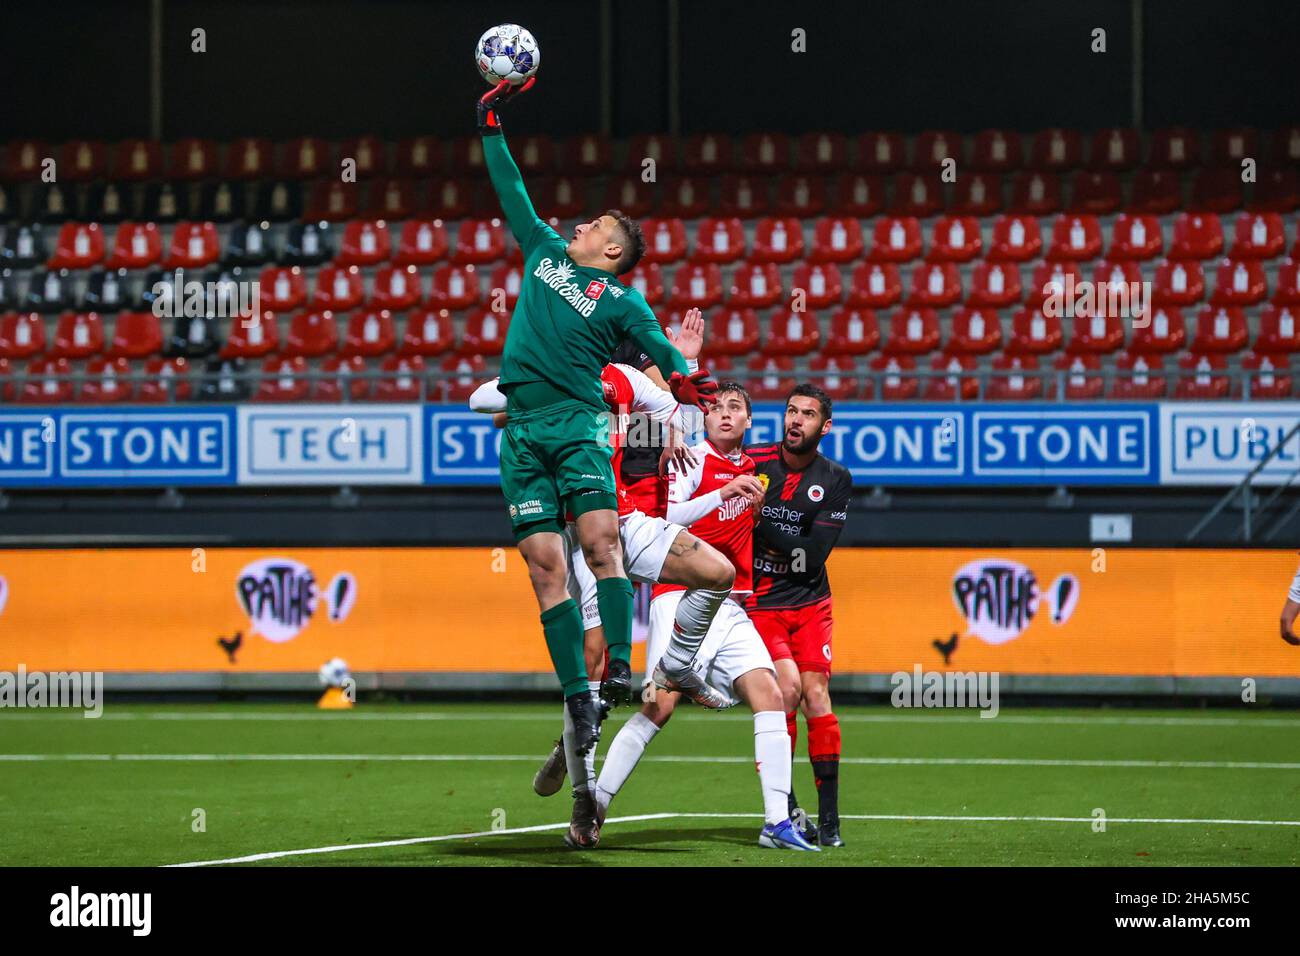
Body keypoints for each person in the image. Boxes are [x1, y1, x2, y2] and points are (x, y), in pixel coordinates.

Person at [475, 78, 718, 758]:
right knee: (543, 568)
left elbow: (666, 349)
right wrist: (490, 122)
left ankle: (615, 665)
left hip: (579, 425)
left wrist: (685, 377)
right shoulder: (545, 253)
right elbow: (511, 190)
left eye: (597, 226)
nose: (582, 224)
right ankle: (580, 695)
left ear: (612, 253)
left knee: (600, 545)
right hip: (522, 430)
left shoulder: (620, 298)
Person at [593, 380, 819, 850]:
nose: (724, 414)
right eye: (716, 407)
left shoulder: (755, 470)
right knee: (659, 705)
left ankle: (776, 823)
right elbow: (669, 518)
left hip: (730, 604)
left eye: (735, 408)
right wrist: (723, 494)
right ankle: (594, 803)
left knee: (771, 695)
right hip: (681, 593)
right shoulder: (690, 458)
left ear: (749, 421)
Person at [745, 384, 852, 847]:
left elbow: (811, 557)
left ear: (823, 427)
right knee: (786, 691)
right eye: (791, 411)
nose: (796, 420)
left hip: (810, 602)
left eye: (807, 415)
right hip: (763, 602)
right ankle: (785, 810)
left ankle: (830, 821)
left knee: (818, 696)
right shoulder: (752, 462)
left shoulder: (835, 478)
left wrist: (760, 519)